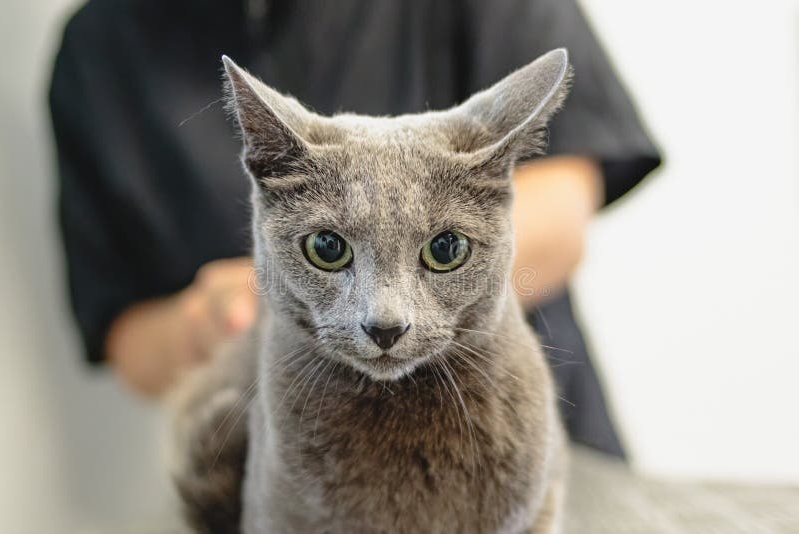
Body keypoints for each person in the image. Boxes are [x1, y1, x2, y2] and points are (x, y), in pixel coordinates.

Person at [50, 0, 660, 458]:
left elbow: (559, 210)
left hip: (511, 443)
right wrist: (208, 324)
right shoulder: (99, 50)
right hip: (288, 468)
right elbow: (127, 334)